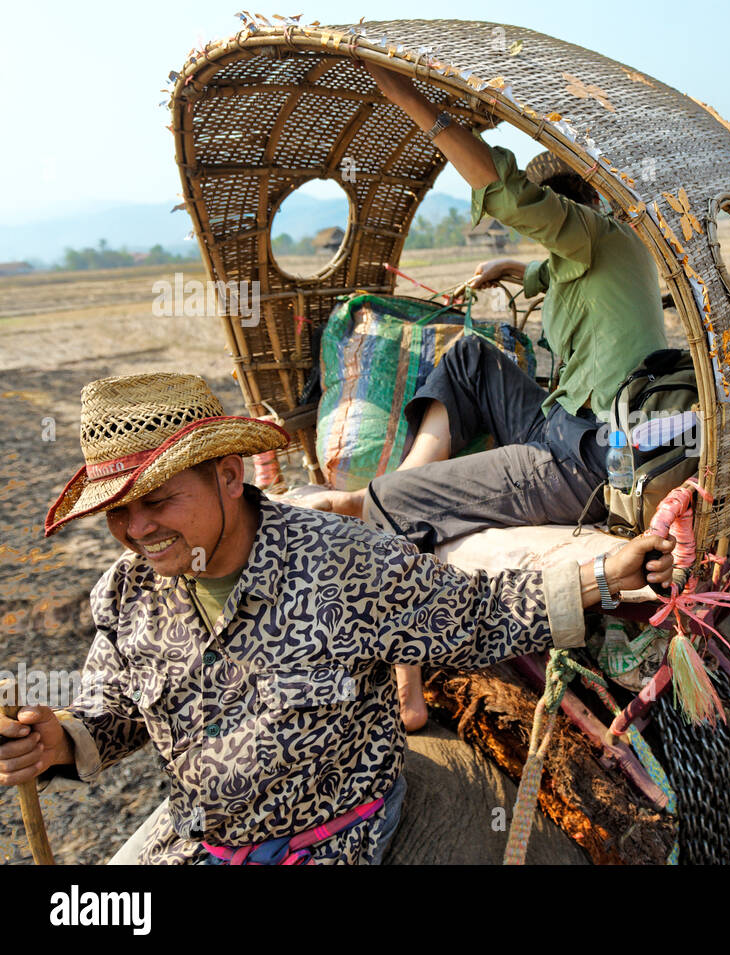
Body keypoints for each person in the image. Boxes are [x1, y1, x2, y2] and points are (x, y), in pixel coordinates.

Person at [0, 373, 673, 864]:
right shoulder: (126, 593)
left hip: (335, 845)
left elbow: (479, 614)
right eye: (118, 511)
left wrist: (606, 576)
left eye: (159, 501)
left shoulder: (342, 561)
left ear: (230, 476)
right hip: (203, 845)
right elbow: (111, 712)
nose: (135, 529)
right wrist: (56, 739)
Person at [297, 63, 669, 730]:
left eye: (547, 227)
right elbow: (557, 275)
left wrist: (407, 100)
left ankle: (404, 673)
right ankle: (418, 479)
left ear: (573, 212)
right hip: (569, 422)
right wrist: (515, 271)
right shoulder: (596, 254)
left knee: (383, 504)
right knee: (469, 357)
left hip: (585, 459)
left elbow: (502, 190)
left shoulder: (592, 236)